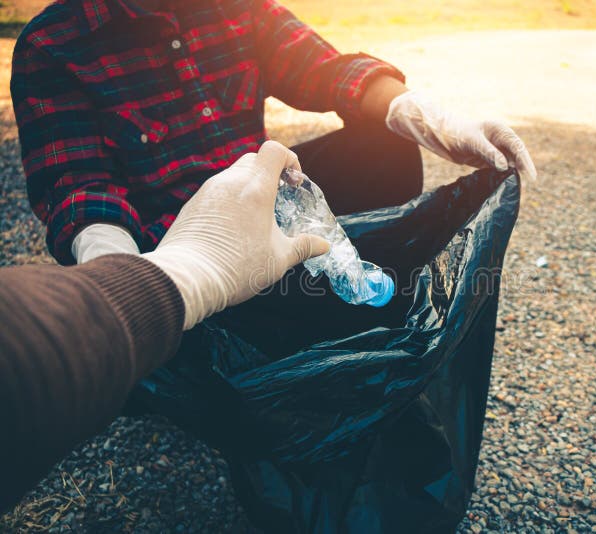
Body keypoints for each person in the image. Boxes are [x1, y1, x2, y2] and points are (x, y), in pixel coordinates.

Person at [11, 0, 536, 266]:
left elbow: (325, 70)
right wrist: (125, 282)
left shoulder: (237, 9)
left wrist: (428, 117)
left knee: (382, 145)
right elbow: (79, 190)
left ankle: (354, 291)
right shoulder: (54, 46)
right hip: (184, 254)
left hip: (273, 207)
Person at [0, 141, 327, 513]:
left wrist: (387, 95)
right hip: (159, 243)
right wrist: (160, 271)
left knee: (376, 151)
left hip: (254, 215)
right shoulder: (58, 79)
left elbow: (303, 78)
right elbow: (74, 177)